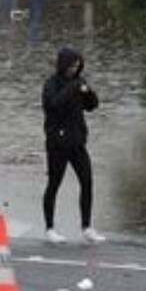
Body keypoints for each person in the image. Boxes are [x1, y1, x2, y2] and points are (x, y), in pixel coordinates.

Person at [42, 47, 105, 244]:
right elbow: (53, 104)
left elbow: (92, 106)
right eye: (72, 66)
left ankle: (86, 227)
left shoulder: (80, 82)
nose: (74, 70)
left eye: (77, 67)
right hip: (58, 144)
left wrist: (88, 93)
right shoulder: (51, 85)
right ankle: (50, 228)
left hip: (77, 142)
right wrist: (72, 88)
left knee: (87, 181)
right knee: (54, 184)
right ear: (63, 65)